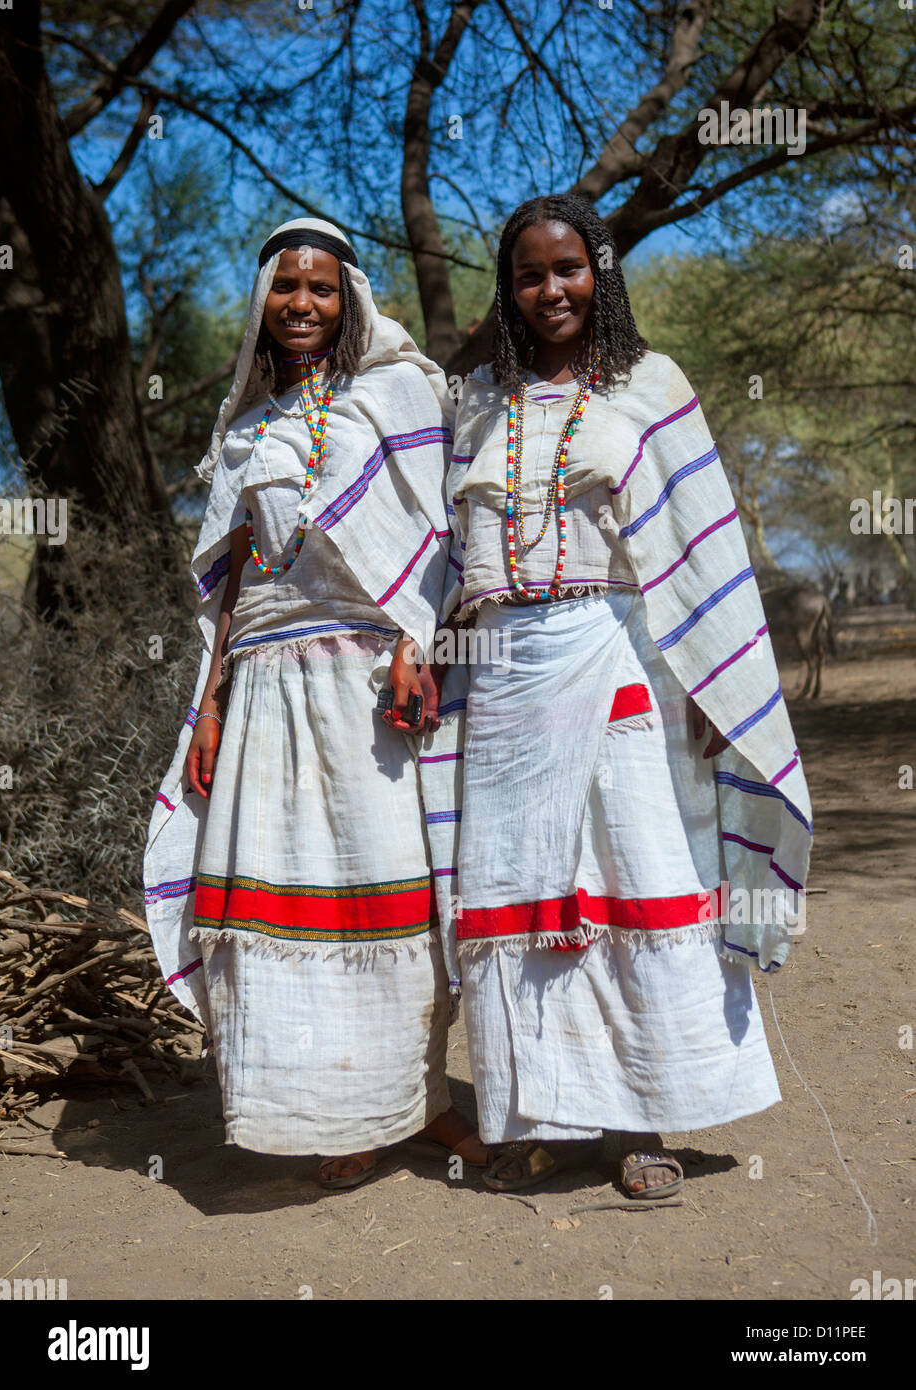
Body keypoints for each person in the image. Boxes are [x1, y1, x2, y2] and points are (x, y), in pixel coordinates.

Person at [432, 194, 812, 1196]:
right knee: (512, 886)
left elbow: (700, 543)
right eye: (528, 274)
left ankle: (653, 1124)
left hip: (612, 655)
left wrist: (712, 682)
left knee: (636, 871)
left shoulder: (649, 385)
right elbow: (435, 555)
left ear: (601, 271)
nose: (550, 288)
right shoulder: (472, 401)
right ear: (506, 290)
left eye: (568, 268)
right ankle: (540, 1115)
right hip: (504, 681)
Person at [143, 216, 487, 1189]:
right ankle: (330, 1110)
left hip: (371, 684)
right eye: (286, 289)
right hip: (264, 688)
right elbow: (232, 582)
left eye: (322, 288)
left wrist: (420, 645)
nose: (303, 303)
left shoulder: (403, 393)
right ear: (264, 306)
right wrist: (209, 705)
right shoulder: (248, 428)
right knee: (286, 905)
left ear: (350, 300)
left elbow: (439, 539)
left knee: (396, 899)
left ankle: (417, 1102)